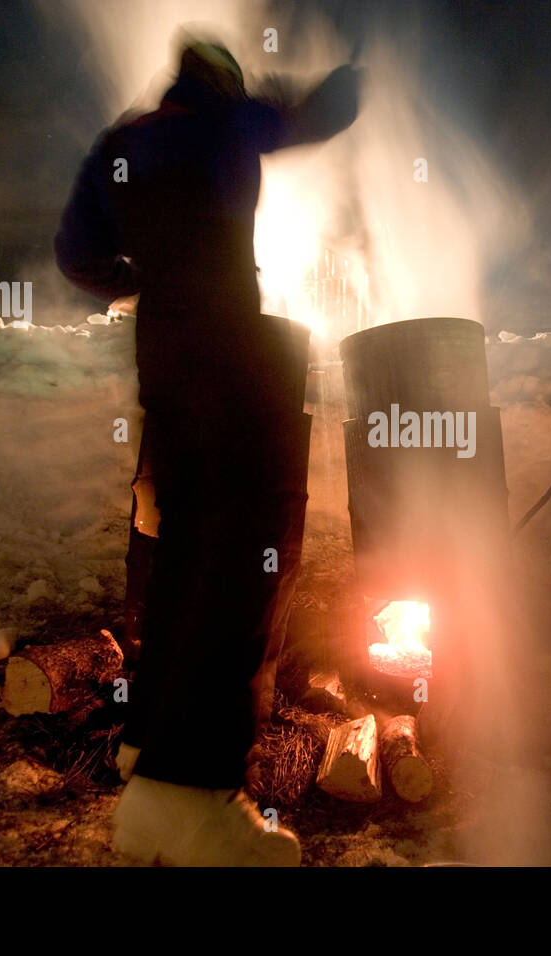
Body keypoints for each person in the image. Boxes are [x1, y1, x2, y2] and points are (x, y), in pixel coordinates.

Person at [54, 30, 359, 865]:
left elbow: (75, 254)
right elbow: (314, 115)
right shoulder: (226, 125)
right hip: (233, 349)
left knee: (186, 550)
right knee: (251, 559)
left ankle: (148, 764)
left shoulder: (123, 142)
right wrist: (356, 78)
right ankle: (198, 805)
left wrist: (143, 277)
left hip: (166, 357)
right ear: (223, 87)